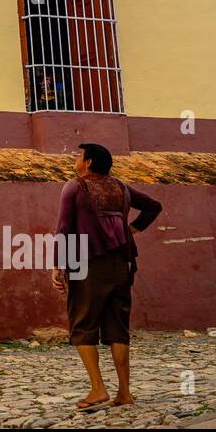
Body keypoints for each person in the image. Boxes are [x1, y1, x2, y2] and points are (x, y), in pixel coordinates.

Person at [51, 142, 162, 410]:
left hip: (86, 263)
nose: (76, 161)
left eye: (79, 157)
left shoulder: (75, 186)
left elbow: (64, 228)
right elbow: (153, 206)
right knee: (118, 329)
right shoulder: (121, 187)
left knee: (83, 324)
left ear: (88, 162)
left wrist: (58, 265)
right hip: (121, 264)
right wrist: (130, 230)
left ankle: (98, 389)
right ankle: (124, 393)